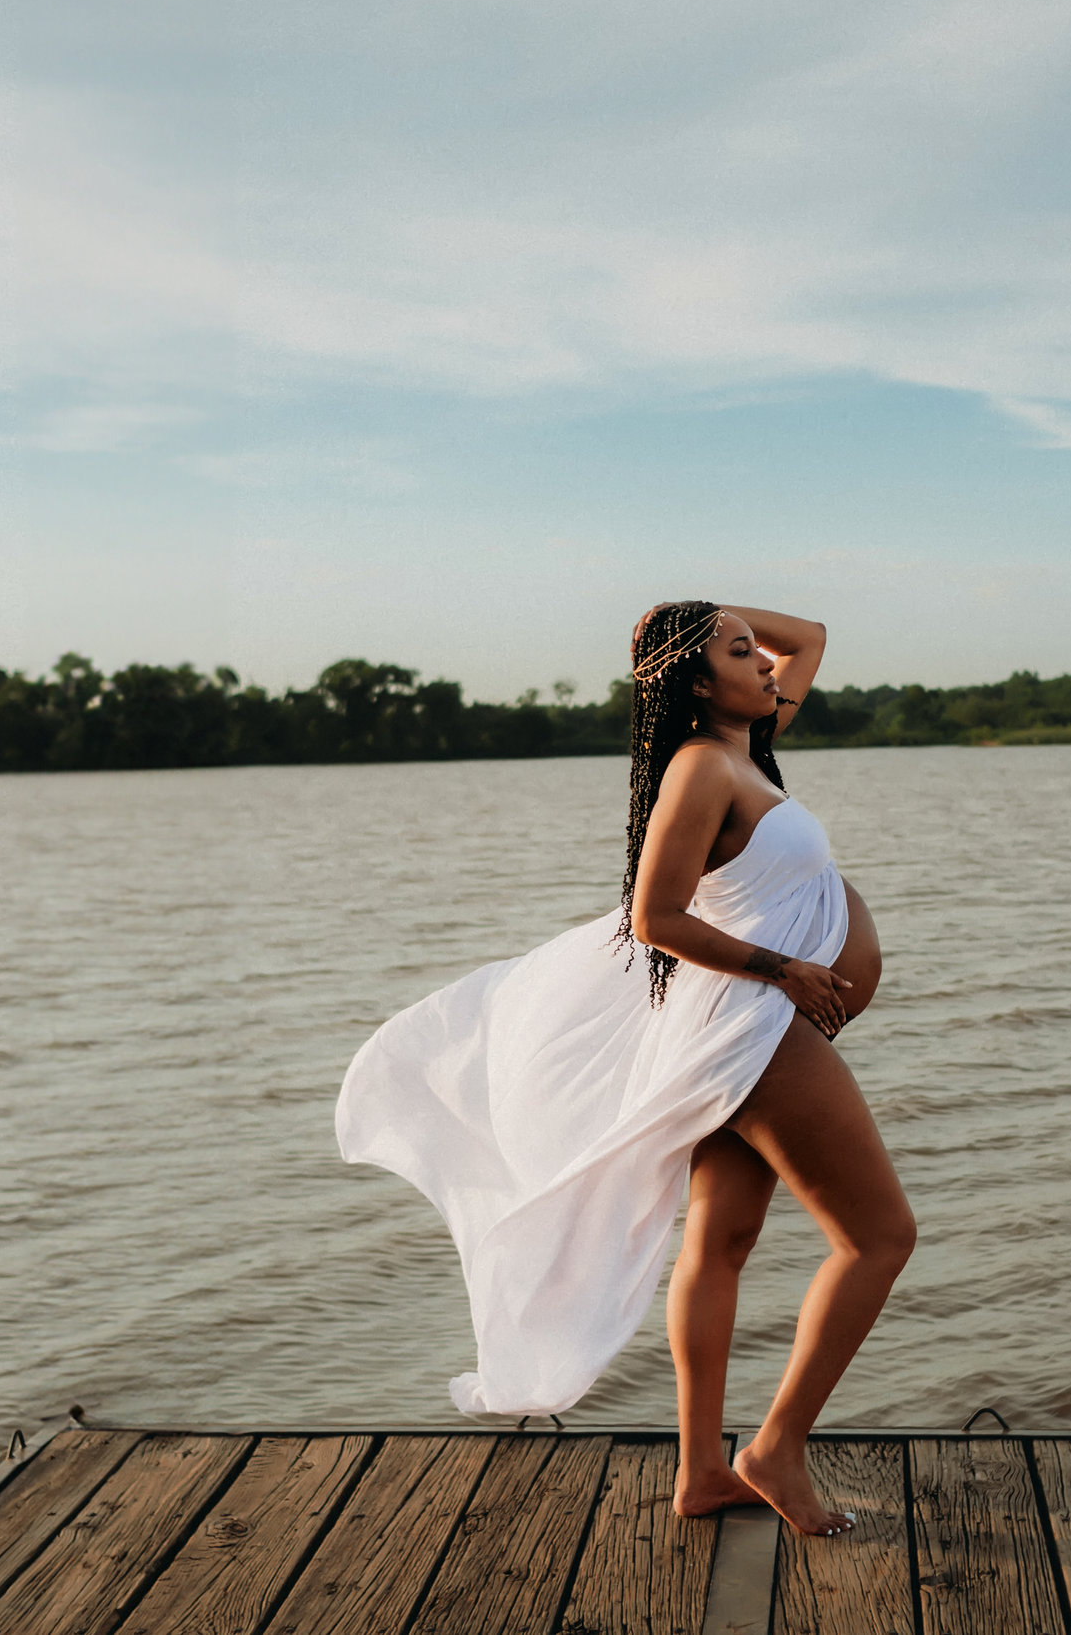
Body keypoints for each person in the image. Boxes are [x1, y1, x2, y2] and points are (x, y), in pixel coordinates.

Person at [335, 601, 912, 1537]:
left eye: (756, 654)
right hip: (758, 1032)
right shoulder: (700, 768)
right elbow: (657, 917)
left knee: (719, 1248)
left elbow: (808, 636)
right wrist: (789, 970)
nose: (768, 664)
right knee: (880, 1238)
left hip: (751, 1032)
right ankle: (775, 1449)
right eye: (738, 653)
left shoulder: (746, 747)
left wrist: (699, 614)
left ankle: (700, 1474)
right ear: (693, 685)